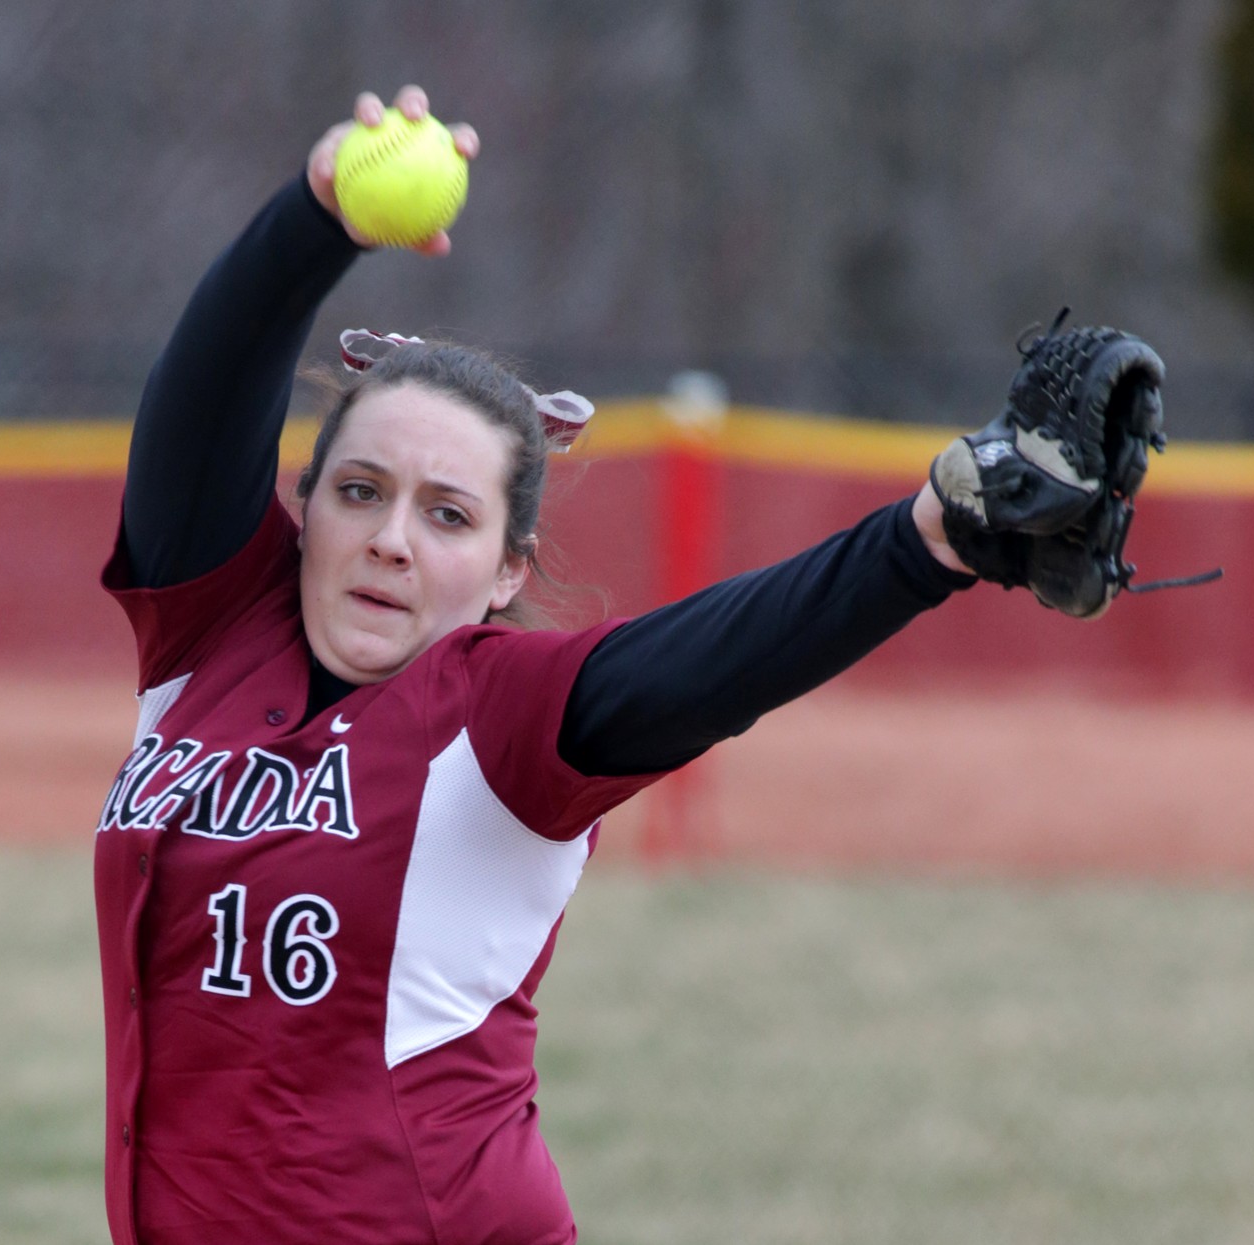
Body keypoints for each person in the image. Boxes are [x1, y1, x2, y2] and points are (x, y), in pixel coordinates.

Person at [94, 85, 977, 1245]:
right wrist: (313, 220)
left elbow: (722, 656)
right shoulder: (207, 635)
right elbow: (199, 409)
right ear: (303, 508)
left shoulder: (496, 714)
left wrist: (923, 545)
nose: (392, 538)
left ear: (507, 572)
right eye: (360, 492)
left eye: (448, 515)